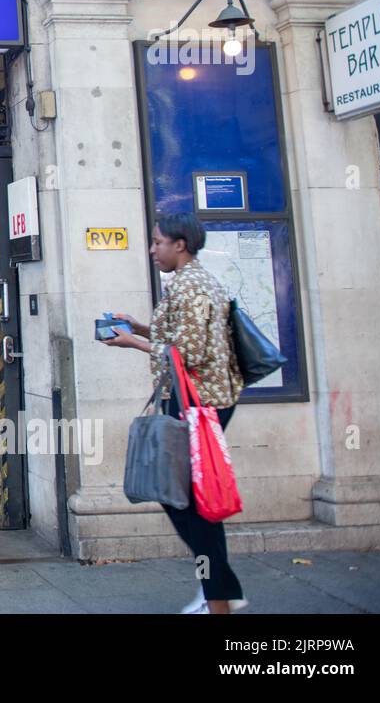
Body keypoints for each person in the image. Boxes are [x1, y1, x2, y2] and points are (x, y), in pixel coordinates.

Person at [103, 212, 247, 615]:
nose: (152, 250)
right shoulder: (186, 283)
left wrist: (134, 342)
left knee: (188, 502)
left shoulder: (193, 286)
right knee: (185, 499)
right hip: (191, 402)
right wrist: (140, 327)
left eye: (157, 242)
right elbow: (179, 338)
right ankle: (219, 592)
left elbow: (189, 353)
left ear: (179, 244)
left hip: (199, 405)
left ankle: (219, 597)